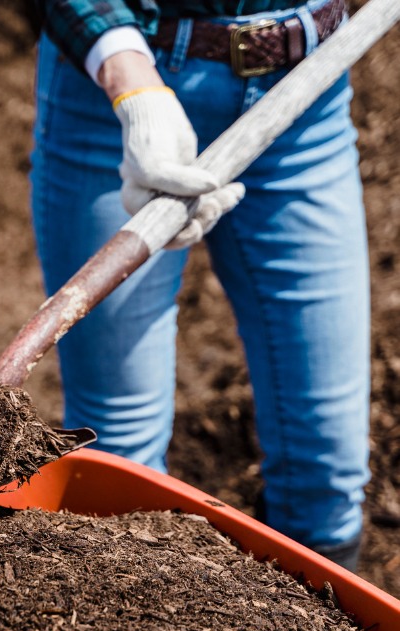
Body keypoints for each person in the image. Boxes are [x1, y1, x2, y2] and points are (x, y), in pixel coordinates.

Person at [31, 0, 368, 570]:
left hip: (307, 90)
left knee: (327, 467)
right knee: (120, 458)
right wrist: (133, 85)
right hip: (122, 94)